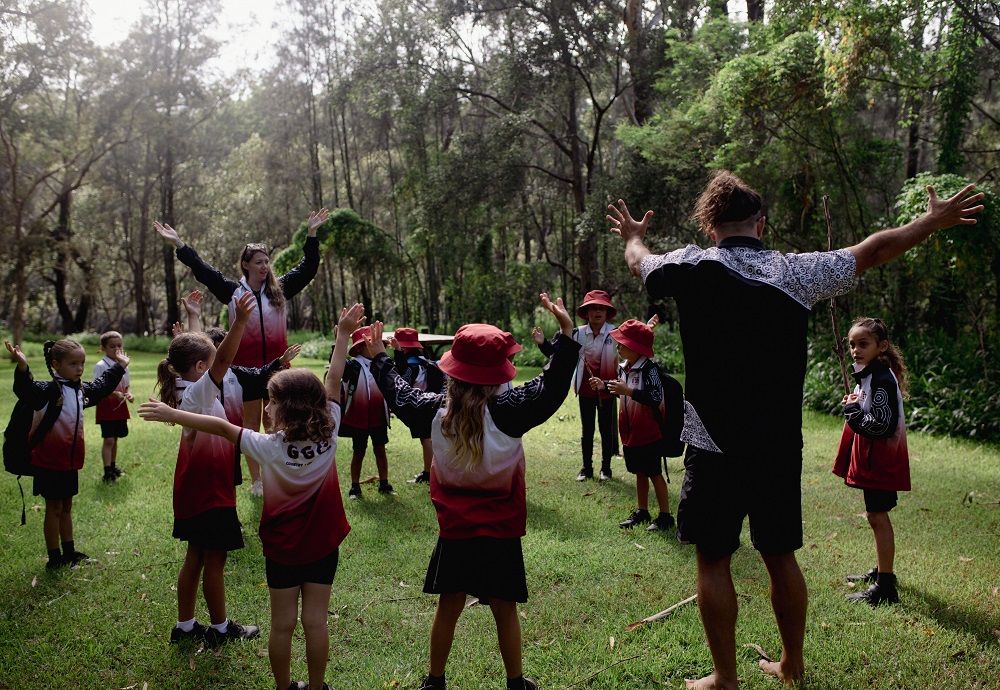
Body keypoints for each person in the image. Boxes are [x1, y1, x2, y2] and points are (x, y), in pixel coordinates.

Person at [609, 171, 983, 689]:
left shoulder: (687, 265)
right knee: (779, 555)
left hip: (709, 441)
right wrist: (932, 220)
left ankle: (724, 677)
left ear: (710, 225)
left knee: (713, 557)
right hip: (776, 443)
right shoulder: (795, 273)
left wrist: (632, 234)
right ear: (761, 225)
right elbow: (873, 251)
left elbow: (638, 261)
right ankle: (792, 665)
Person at [365, 293, 580, 690]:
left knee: (449, 606)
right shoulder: (512, 409)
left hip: (456, 532)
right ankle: (515, 682)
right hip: (500, 533)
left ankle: (435, 681)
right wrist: (565, 334)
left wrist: (379, 356)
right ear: (501, 372)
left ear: (452, 371)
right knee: (504, 609)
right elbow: (551, 387)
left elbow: (398, 393)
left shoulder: (432, 412)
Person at [140, 305, 360, 690]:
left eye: (271, 402)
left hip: (282, 549)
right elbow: (334, 376)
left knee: (281, 625)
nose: (266, 408)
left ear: (280, 409)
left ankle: (283, 687)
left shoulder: (266, 446)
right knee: (315, 622)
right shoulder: (332, 430)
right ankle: (317, 686)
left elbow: (222, 426)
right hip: (324, 544)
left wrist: (173, 416)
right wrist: (342, 334)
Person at [153, 208, 328, 497]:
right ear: (245, 264)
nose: (265, 266)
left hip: (277, 367)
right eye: (259, 262)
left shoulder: (279, 290)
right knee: (249, 423)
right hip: (244, 370)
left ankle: (276, 471)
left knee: (275, 420)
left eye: (267, 261)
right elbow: (204, 271)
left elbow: (308, 268)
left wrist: (312, 235)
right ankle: (257, 480)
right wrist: (179, 245)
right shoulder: (232, 291)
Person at [154, 291, 260, 647]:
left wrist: (195, 319)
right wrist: (240, 322)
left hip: (193, 489)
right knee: (214, 560)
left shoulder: (186, 384)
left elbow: (191, 355)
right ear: (202, 368)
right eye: (213, 364)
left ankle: (185, 626)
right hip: (210, 491)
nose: (222, 368)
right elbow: (219, 358)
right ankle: (219, 628)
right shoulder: (199, 393)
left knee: (195, 556)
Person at [5, 339, 128, 569]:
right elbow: (25, 390)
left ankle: (69, 552)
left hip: (70, 463)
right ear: (56, 364)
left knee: (67, 508)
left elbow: (102, 386)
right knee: (54, 509)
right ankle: (54, 558)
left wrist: (119, 366)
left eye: (82, 363)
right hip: (49, 462)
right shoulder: (48, 391)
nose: (79, 368)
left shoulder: (80, 390)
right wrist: (22, 367)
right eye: (73, 364)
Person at [832, 317, 910, 607]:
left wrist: (854, 412)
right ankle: (882, 569)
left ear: (882, 346)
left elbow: (884, 426)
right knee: (874, 516)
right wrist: (857, 402)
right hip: (874, 459)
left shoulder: (880, 379)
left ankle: (885, 586)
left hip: (881, 460)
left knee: (878, 517)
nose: (855, 350)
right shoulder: (870, 375)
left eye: (863, 344)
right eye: (852, 345)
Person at [588, 319, 683, 532]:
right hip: (631, 433)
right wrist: (604, 386)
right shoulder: (625, 368)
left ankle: (665, 516)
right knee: (639, 472)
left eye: (622, 343)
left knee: (654, 473)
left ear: (636, 348)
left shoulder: (649, 371)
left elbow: (656, 396)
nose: (618, 347)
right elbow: (620, 392)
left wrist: (628, 392)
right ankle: (642, 511)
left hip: (650, 433)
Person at [341, 326, 394, 498]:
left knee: (380, 449)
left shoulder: (383, 365)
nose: (378, 346)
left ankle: (384, 483)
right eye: (371, 343)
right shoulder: (352, 367)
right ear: (358, 348)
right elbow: (338, 366)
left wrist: (399, 352)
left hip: (378, 417)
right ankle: (354, 487)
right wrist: (338, 345)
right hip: (359, 417)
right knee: (359, 451)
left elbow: (399, 378)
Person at [390, 327, 442, 484]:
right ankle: (430, 471)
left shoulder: (411, 365)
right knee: (428, 438)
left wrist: (397, 357)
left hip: (421, 406)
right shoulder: (423, 361)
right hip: (432, 403)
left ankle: (428, 474)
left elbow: (402, 381)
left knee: (426, 439)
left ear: (403, 347)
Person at [92, 331, 134, 483]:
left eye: (119, 346)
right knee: (108, 439)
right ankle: (107, 472)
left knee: (115, 438)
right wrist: (113, 394)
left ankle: (113, 466)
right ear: (103, 348)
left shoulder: (124, 365)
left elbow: (126, 386)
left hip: (120, 406)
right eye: (112, 346)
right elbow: (95, 388)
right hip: (106, 406)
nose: (116, 349)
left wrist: (128, 394)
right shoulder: (101, 366)